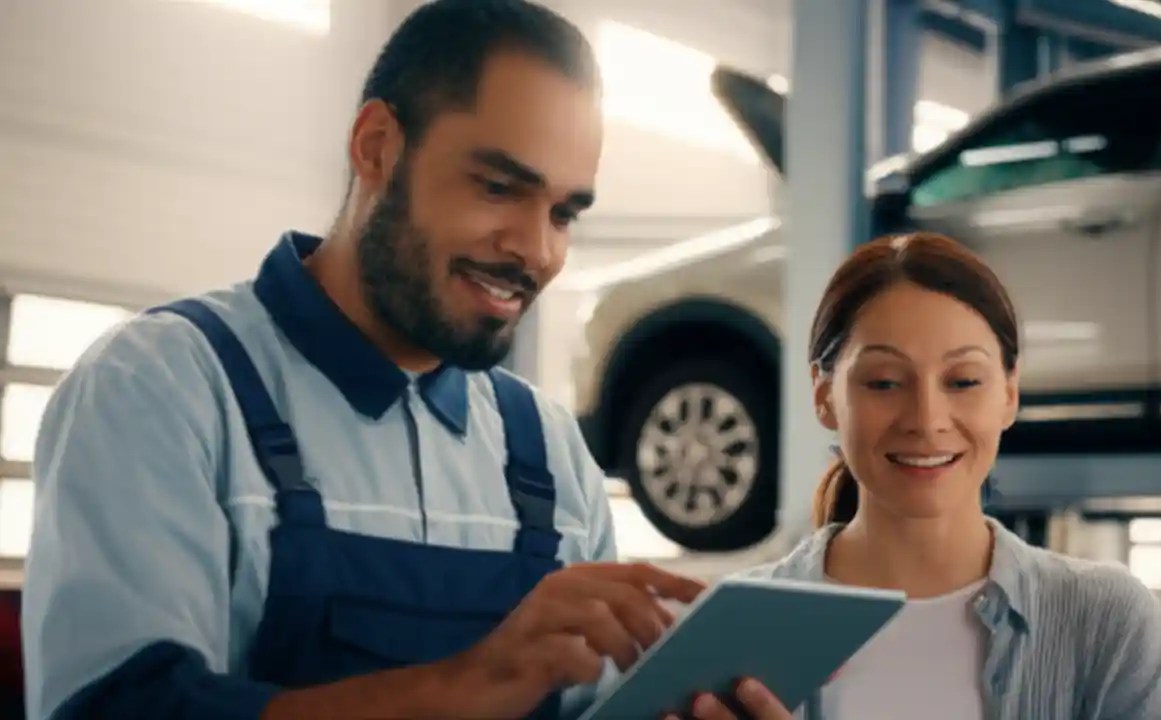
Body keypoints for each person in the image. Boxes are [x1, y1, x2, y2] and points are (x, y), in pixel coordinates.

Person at [20, 2, 792, 719]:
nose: (536, 250)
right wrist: (467, 684)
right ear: (378, 148)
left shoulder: (552, 455)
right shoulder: (163, 387)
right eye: (499, 187)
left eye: (563, 213)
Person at [742, 232, 1161, 719]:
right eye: (884, 382)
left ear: (1009, 393)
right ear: (823, 395)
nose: (927, 420)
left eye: (963, 381)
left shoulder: (1105, 623)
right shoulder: (737, 628)